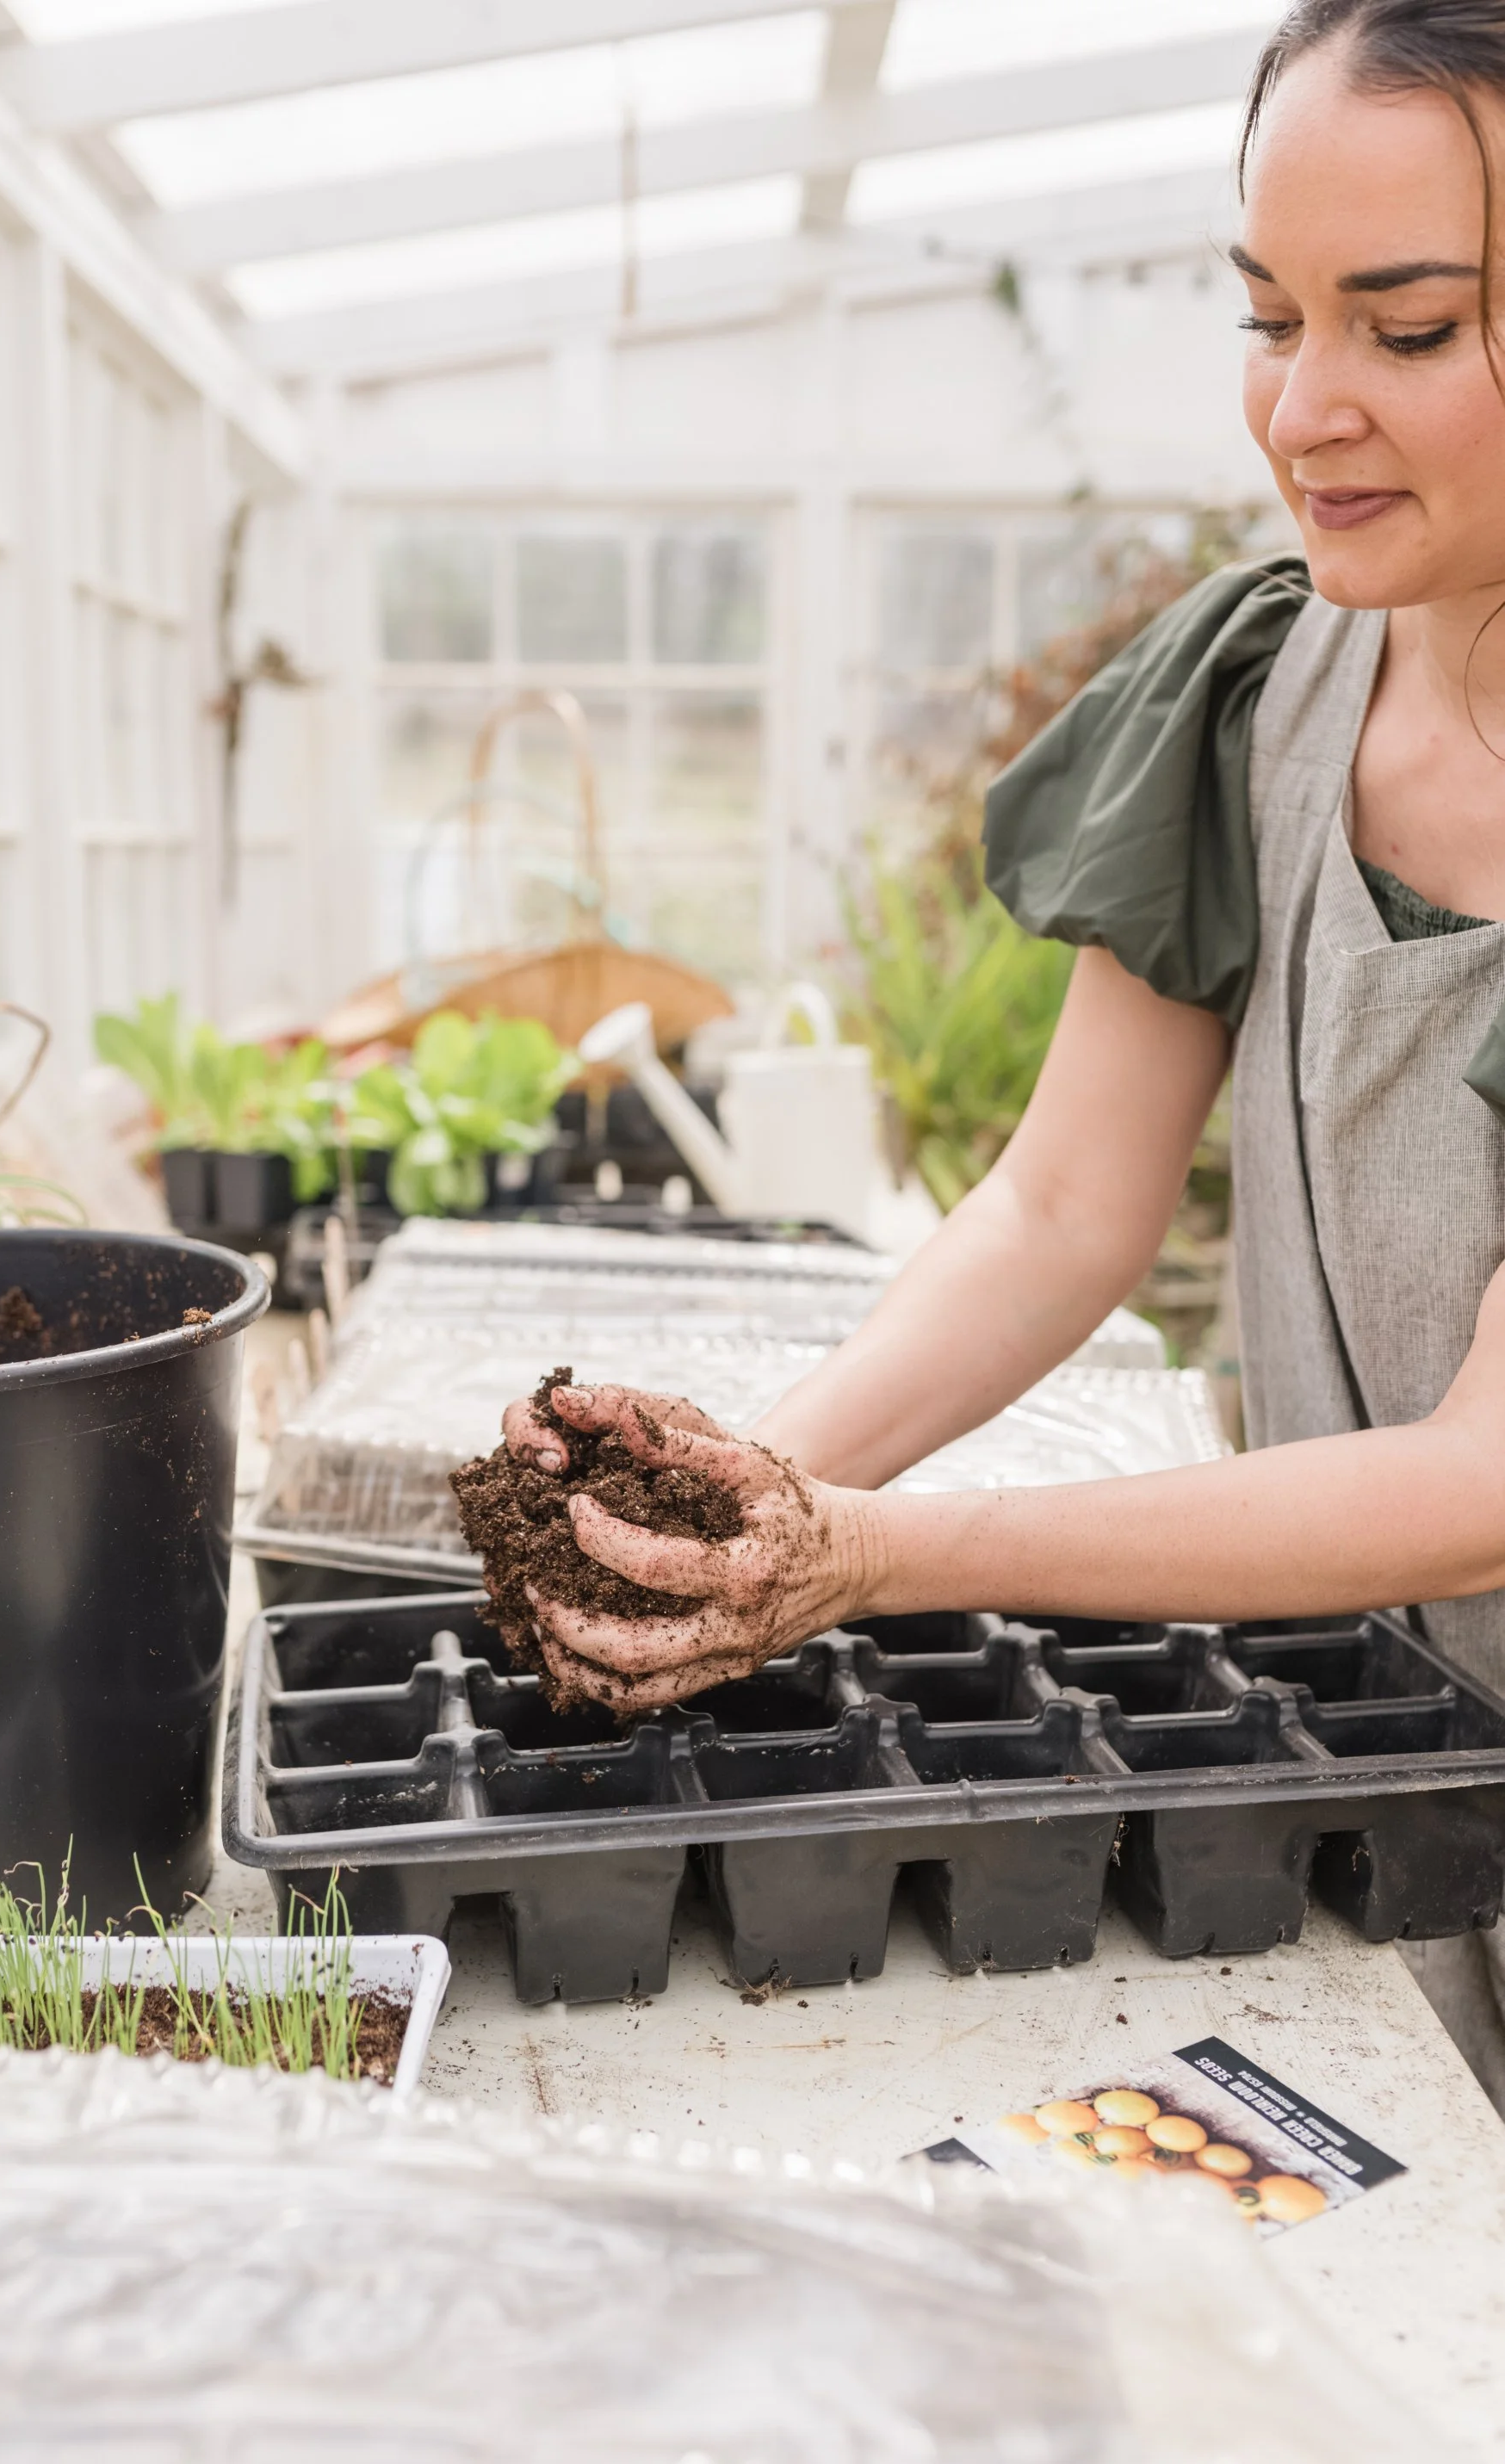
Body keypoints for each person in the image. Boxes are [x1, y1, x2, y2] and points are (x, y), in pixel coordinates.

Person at [500, 0, 1505, 2102]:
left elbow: (1480, 1483)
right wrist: (740, 1503)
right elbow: (1059, 1210)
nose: (1301, 408)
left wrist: (883, 1557)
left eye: (1406, 331)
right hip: (1386, 1766)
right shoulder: (1259, 695)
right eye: (1267, 315)